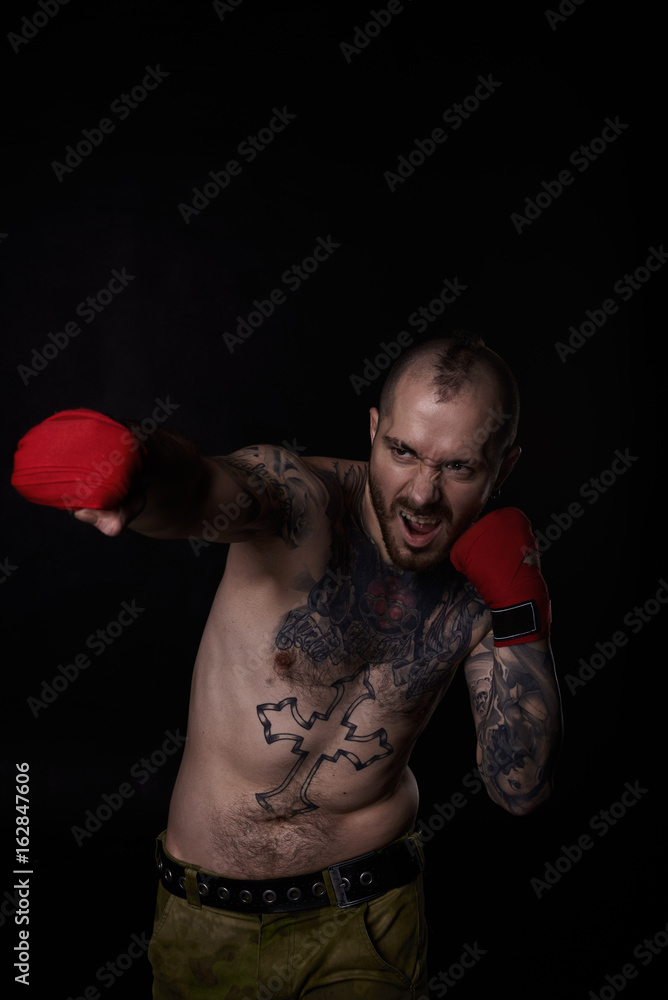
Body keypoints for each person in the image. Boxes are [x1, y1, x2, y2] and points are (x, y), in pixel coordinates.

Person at [14, 331, 562, 998]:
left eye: (459, 467)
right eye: (403, 452)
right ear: (374, 430)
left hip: (369, 922)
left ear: (504, 467)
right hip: (207, 925)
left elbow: (518, 786)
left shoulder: (487, 592)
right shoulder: (299, 503)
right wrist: (139, 467)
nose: (422, 495)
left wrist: (522, 610)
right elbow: (199, 488)